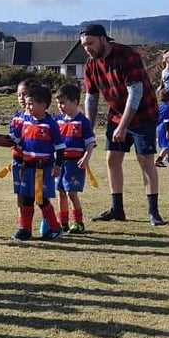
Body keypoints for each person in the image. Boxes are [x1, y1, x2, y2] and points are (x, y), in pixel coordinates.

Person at [79, 24, 166, 226]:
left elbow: (136, 93)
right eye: (84, 45)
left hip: (142, 114)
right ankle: (117, 209)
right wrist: (88, 128)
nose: (87, 48)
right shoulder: (91, 65)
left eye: (90, 43)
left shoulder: (127, 56)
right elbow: (91, 98)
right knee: (112, 159)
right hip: (116, 115)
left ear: (102, 39)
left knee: (145, 160)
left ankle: (154, 212)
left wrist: (124, 126)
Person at [7, 84, 65, 241]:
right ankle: (25, 229)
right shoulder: (25, 121)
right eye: (27, 103)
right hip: (27, 168)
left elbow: (60, 148)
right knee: (26, 198)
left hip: (42, 169)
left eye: (32, 103)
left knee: (41, 200)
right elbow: (15, 140)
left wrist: (58, 165)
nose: (28, 107)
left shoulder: (50, 124)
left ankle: (55, 228)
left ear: (44, 105)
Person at [54, 84, 96, 234]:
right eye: (58, 102)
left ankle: (78, 223)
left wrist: (86, 157)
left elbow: (90, 142)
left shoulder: (82, 122)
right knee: (60, 192)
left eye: (64, 102)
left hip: (75, 163)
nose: (60, 106)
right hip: (59, 163)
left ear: (75, 102)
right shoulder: (57, 121)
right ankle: (63, 222)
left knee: (71, 193)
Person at [155, 89, 169, 168]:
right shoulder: (168, 108)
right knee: (167, 145)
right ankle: (158, 160)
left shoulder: (159, 107)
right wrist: (168, 131)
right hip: (164, 128)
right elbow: (167, 120)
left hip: (159, 127)